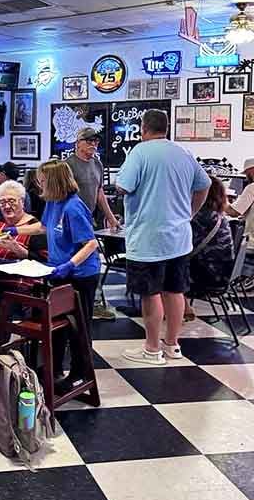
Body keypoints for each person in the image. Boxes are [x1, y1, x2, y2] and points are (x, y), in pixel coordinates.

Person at [116, 109, 211, 365]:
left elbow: (123, 186)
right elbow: (204, 185)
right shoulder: (183, 153)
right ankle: (172, 346)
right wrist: (189, 212)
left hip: (148, 237)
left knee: (151, 294)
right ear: (166, 128)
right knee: (175, 291)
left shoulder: (139, 152)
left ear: (143, 128)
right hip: (179, 237)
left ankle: (151, 349)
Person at [14, 160, 100, 394]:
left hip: (81, 274)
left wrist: (69, 265)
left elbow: (91, 243)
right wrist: (14, 230)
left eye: (42, 181)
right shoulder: (53, 203)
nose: (38, 184)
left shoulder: (73, 207)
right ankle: (54, 368)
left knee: (77, 326)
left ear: (52, 182)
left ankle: (80, 373)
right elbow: (42, 227)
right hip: (57, 271)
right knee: (58, 324)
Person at [187, 176, 234, 320]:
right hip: (224, 274)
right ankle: (183, 306)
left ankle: (168, 309)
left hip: (207, 277)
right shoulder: (218, 216)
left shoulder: (200, 217)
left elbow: (182, 246)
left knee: (162, 267)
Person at [0, 180, 46, 263]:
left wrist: (16, 248)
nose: (7, 206)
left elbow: (43, 260)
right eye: (2, 202)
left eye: (12, 201)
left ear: (22, 202)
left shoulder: (35, 227)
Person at [64, 128, 119, 230]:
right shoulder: (67, 165)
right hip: (71, 219)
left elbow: (99, 193)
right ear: (78, 143)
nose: (93, 144)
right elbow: (62, 196)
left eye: (96, 141)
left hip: (89, 217)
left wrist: (111, 218)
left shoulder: (98, 164)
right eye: (89, 141)